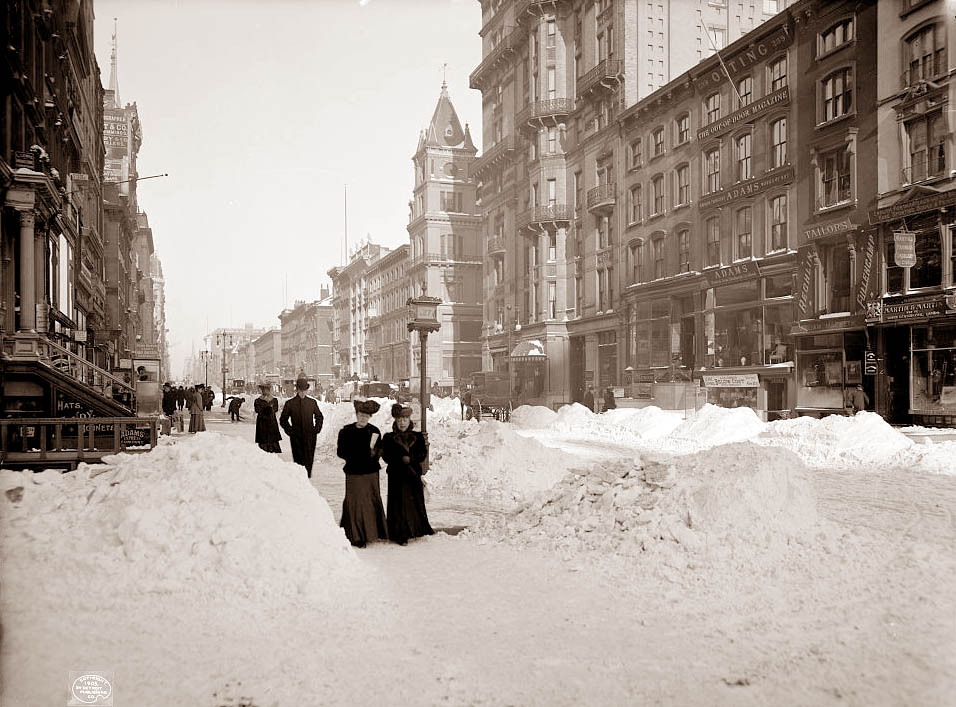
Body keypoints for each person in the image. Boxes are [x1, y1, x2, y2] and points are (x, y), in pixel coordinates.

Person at [336, 398, 388, 548]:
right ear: (356, 414)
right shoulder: (346, 431)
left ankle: (373, 532)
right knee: (355, 503)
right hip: (354, 472)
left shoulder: (374, 431)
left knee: (370, 501)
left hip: (371, 473)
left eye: (366, 416)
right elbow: (340, 452)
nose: (363, 418)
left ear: (370, 417)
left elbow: (380, 449)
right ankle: (356, 536)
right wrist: (357, 454)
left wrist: (375, 452)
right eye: (360, 415)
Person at [381, 402, 434, 546]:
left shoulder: (417, 437)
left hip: (412, 475)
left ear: (409, 420)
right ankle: (400, 534)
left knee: (414, 503)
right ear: (395, 422)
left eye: (404, 420)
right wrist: (399, 459)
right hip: (396, 476)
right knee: (398, 505)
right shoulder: (388, 438)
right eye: (399, 420)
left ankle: (417, 529)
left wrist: (411, 459)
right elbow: (385, 456)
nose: (402, 423)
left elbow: (422, 454)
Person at [279, 375, 324, 478]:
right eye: (301, 390)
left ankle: (308, 478)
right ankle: (300, 481)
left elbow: (319, 417)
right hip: (296, 437)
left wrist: (316, 429)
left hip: (310, 436)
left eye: (305, 390)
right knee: (298, 461)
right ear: (297, 390)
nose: (303, 393)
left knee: (309, 459)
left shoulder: (312, 403)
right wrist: (290, 431)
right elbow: (283, 420)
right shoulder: (290, 403)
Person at [254, 384, 282, 453]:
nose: (266, 392)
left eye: (267, 390)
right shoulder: (258, 400)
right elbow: (257, 410)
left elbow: (275, 409)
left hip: (271, 421)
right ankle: (264, 449)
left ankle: (272, 449)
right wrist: (266, 410)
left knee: (272, 437)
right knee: (263, 438)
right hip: (262, 422)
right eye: (264, 390)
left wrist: (269, 409)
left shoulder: (274, 400)